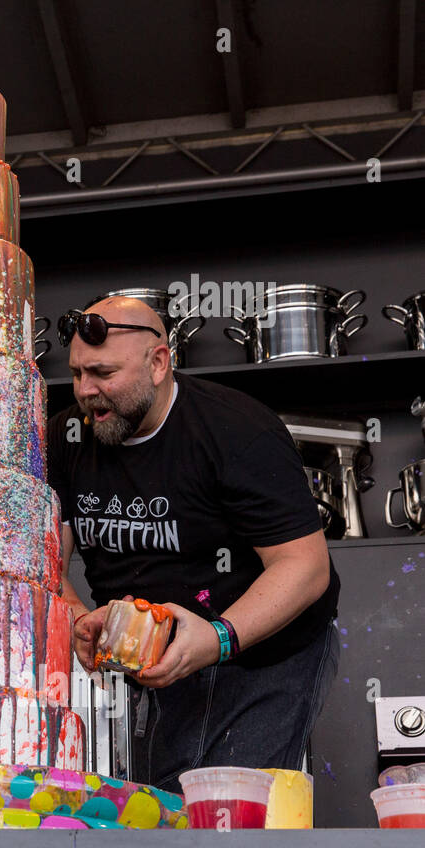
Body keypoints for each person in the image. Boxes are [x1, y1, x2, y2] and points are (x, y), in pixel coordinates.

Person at [46, 295, 340, 793]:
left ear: (158, 362)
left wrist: (217, 638)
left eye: (102, 373)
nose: (85, 392)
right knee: (152, 811)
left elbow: (306, 567)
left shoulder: (236, 429)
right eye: (76, 373)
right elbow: (45, 558)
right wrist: (77, 616)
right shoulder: (67, 437)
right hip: (144, 659)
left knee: (225, 813)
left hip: (259, 652)